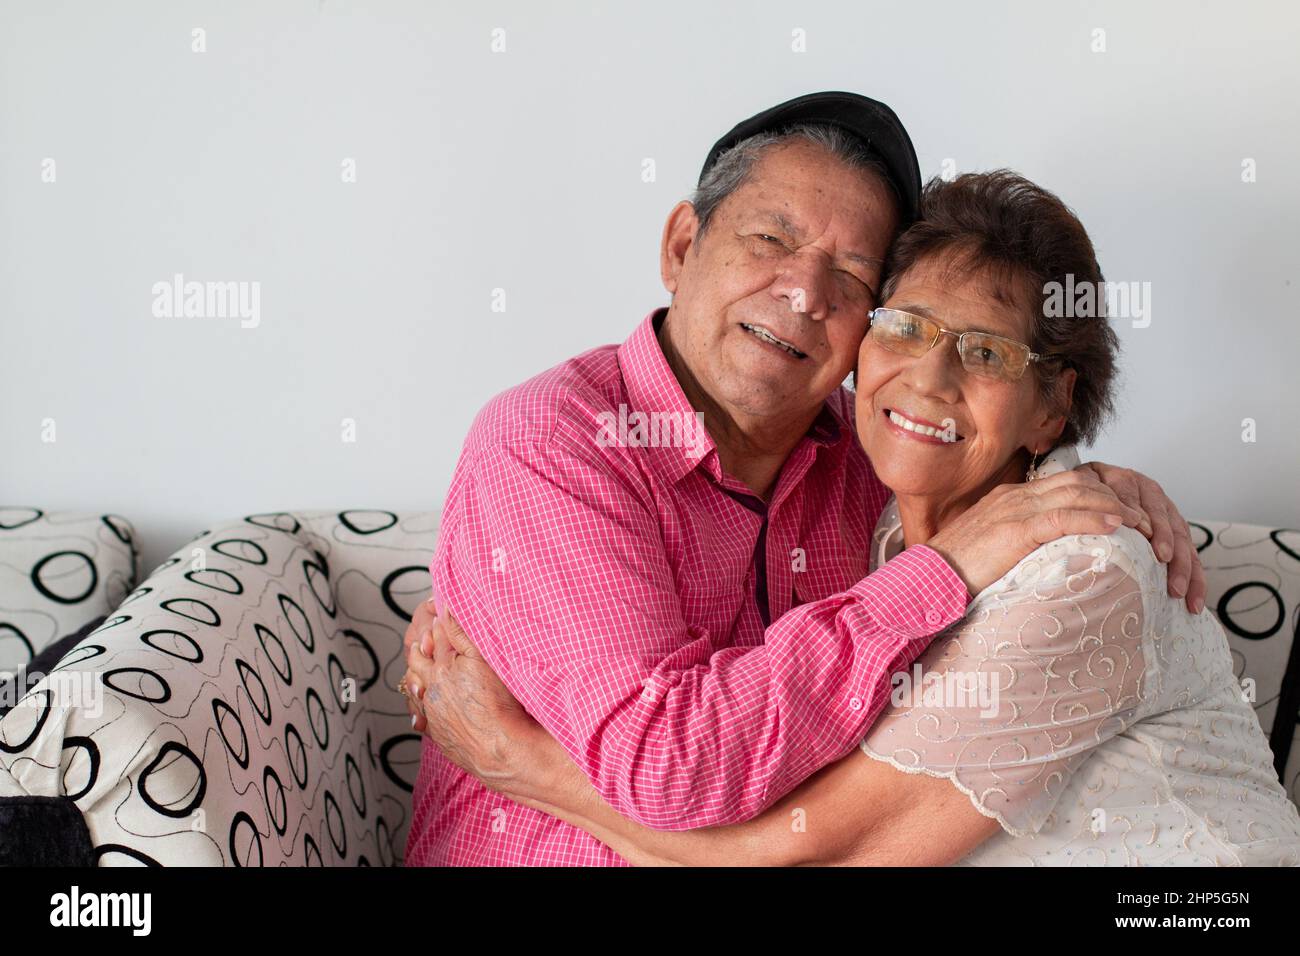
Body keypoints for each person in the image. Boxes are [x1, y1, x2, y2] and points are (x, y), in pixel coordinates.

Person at [406, 170, 1300, 866]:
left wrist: (528, 767)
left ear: (1050, 407)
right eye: (905, 326)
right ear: (683, 242)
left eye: (986, 353)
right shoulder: (878, 516)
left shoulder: (1080, 574)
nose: (930, 379)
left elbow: (810, 855)